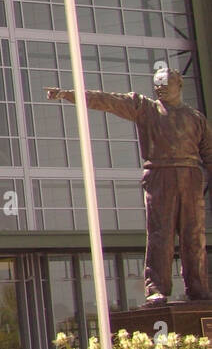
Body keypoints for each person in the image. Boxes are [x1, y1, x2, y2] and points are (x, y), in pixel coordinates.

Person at [46, 68, 212, 307]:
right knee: (160, 235)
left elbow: (208, 152)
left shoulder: (195, 118)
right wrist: (69, 95)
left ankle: (198, 288)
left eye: (165, 84)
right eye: (156, 85)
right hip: (160, 174)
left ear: (179, 85)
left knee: (193, 235)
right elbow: (108, 101)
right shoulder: (145, 108)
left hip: (190, 176)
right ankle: (157, 289)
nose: (160, 88)